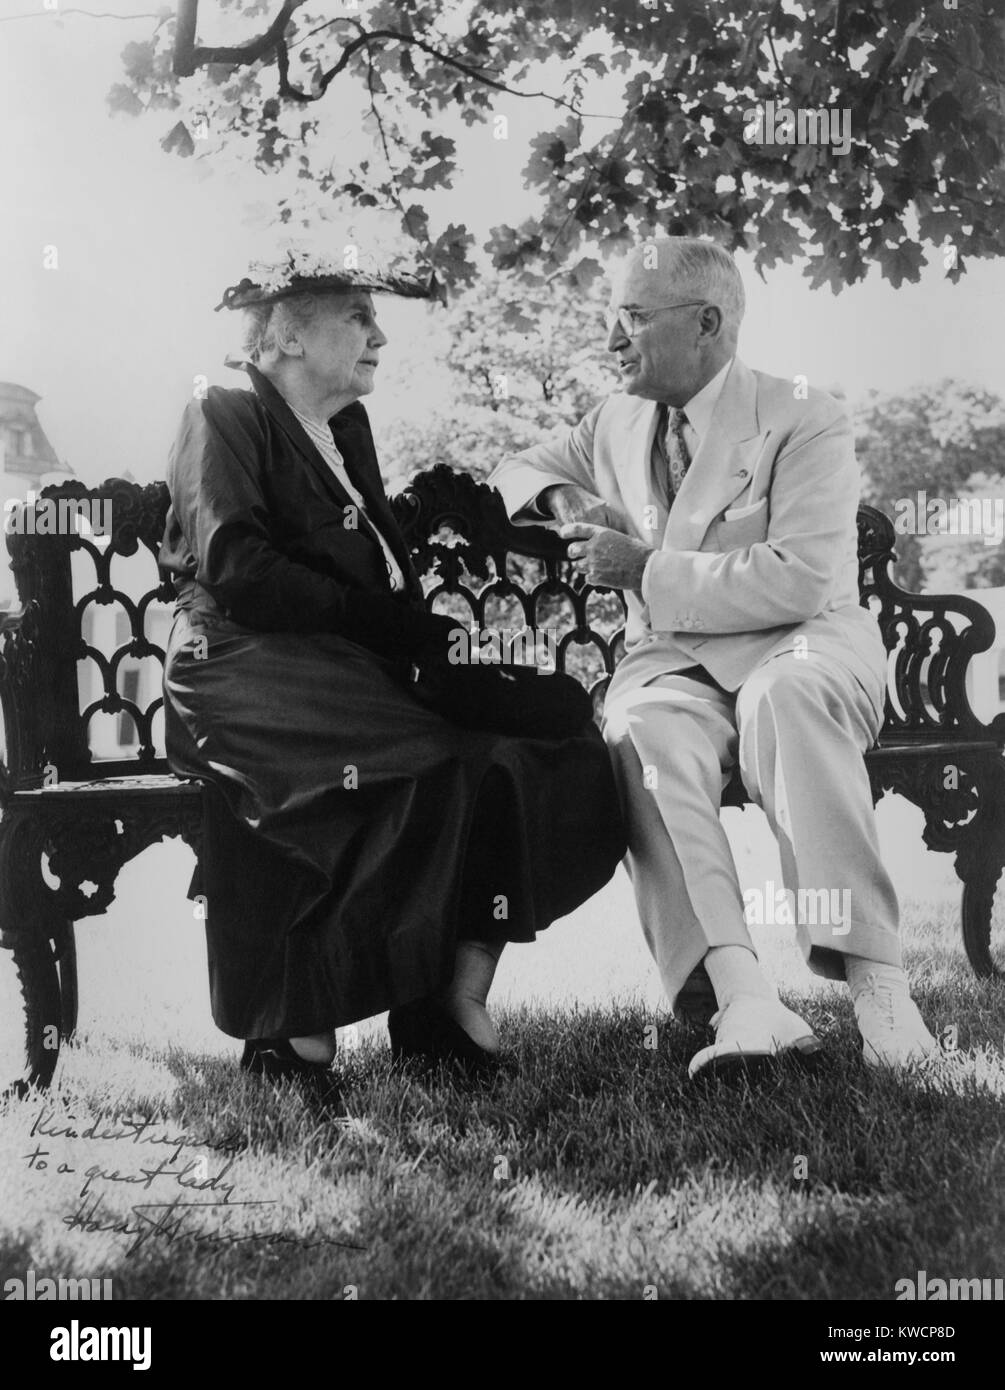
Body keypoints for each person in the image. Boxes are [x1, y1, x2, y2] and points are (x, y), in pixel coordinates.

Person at [159, 255, 626, 1102]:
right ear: (287, 334)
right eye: (356, 317)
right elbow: (238, 568)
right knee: (425, 759)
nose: (379, 335)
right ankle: (291, 1034)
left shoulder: (344, 431)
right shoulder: (222, 409)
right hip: (240, 665)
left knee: (527, 752)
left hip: (339, 663)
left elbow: (381, 575)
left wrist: (431, 650)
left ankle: (444, 1010)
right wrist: (388, 627)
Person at [490, 236, 939, 1080]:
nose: (612, 339)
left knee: (786, 699)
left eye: (630, 318)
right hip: (673, 664)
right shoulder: (614, 420)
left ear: (705, 322)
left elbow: (799, 579)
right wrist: (568, 495)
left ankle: (880, 990)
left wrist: (645, 570)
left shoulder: (804, 415)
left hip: (800, 643)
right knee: (635, 731)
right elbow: (512, 467)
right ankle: (741, 999)